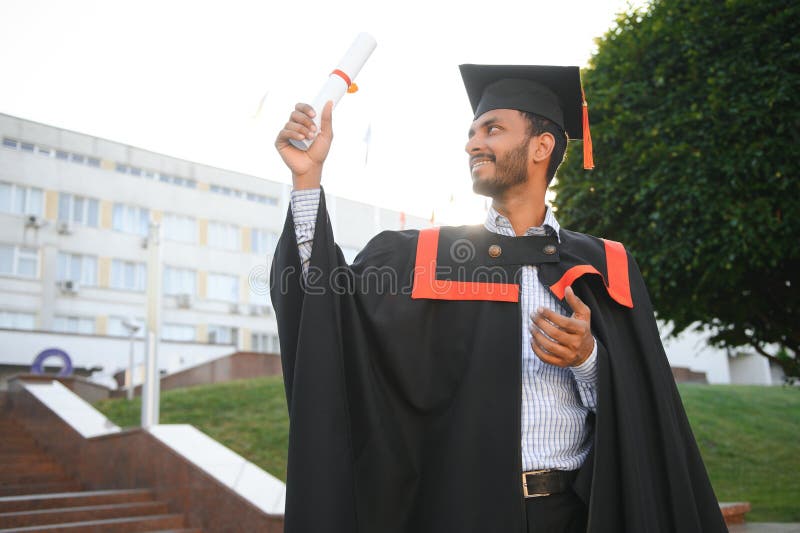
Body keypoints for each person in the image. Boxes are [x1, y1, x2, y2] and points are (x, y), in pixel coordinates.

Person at [271, 64, 727, 533]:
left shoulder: (605, 266)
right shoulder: (421, 258)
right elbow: (324, 312)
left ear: (541, 147)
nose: (473, 143)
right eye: (471, 133)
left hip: (572, 513)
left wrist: (588, 360)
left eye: (492, 129)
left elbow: (646, 409)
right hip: (458, 510)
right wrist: (307, 181)